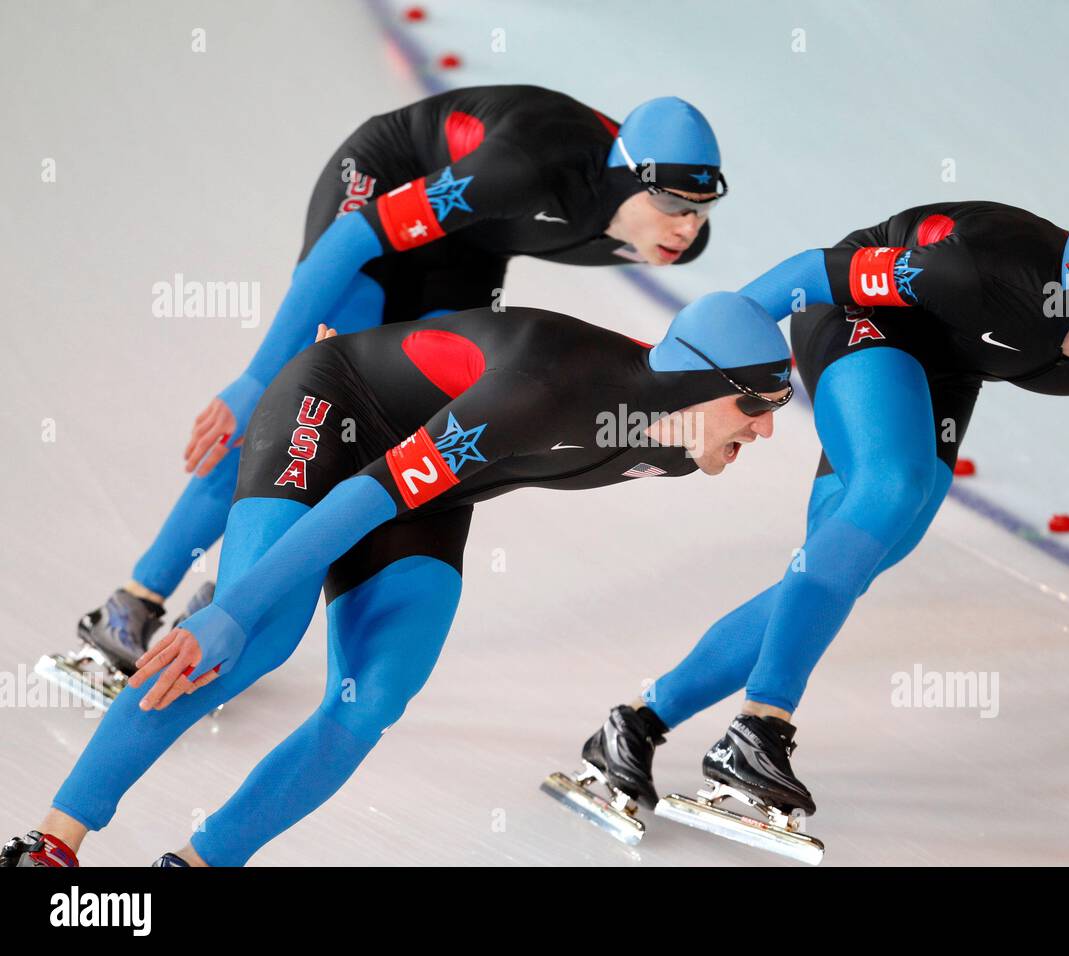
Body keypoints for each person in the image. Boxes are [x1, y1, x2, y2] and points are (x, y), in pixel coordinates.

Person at [2, 291, 792, 867]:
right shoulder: (549, 392)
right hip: (333, 414)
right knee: (250, 641)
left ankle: (201, 864)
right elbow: (365, 493)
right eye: (755, 405)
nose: (764, 428)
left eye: (779, 408)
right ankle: (51, 844)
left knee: (372, 697)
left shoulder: (682, 439)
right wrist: (234, 608)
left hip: (429, 486)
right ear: (698, 383)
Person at [571, 204, 1069, 849]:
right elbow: (810, 273)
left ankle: (635, 724)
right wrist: (686, 370)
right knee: (890, 488)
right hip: (863, 320)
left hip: (949, 366)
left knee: (853, 558)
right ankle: (758, 729)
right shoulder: (978, 277)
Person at [74, 85, 727, 684]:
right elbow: (349, 244)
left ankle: (235, 586)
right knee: (303, 398)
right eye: (671, 205)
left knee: (408, 416)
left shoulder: (673, 234)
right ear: (623, 178)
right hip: (387, 188)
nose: (686, 227)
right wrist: (254, 378)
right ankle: (132, 601)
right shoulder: (530, 166)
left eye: (701, 209)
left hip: (470, 244)